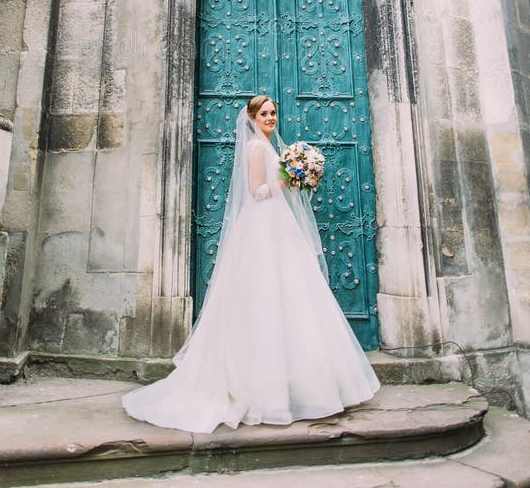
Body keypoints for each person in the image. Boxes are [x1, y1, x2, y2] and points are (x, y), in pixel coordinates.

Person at [122, 96, 379, 433]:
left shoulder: (271, 147)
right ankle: (266, 388)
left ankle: (295, 383)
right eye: (264, 114)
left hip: (277, 223)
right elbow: (257, 191)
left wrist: (297, 175)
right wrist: (289, 180)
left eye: (273, 113)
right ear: (252, 118)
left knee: (291, 295)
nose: (271, 118)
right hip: (262, 224)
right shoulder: (256, 149)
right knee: (266, 296)